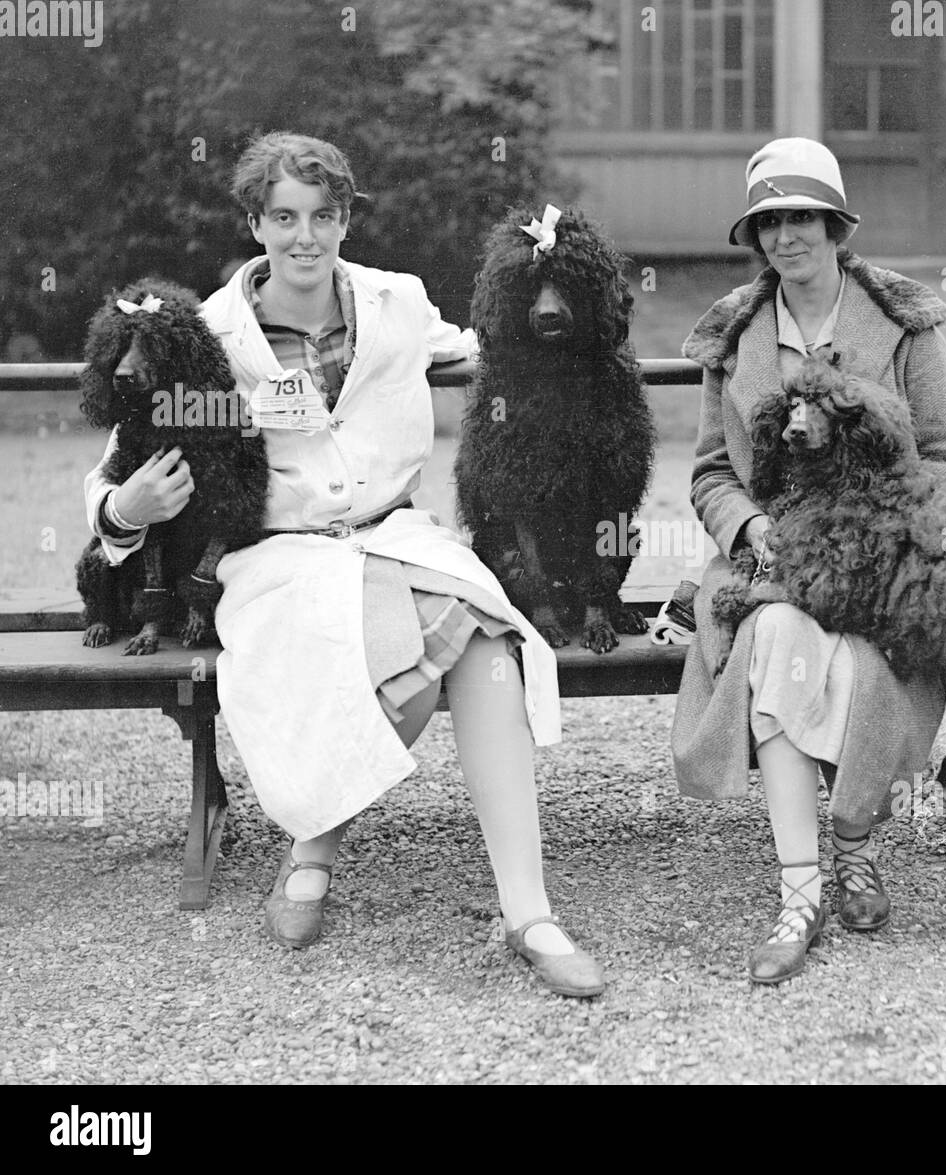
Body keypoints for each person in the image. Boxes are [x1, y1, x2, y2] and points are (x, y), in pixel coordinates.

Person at [83, 131, 604, 998]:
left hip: (396, 536)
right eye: (284, 217)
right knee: (430, 652)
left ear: (346, 220)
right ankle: (314, 846)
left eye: (324, 216)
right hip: (283, 562)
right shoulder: (208, 334)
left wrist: (567, 329)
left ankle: (528, 911)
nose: (306, 237)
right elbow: (109, 473)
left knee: (486, 646)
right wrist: (126, 509)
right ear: (256, 223)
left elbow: (485, 344)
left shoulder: (397, 303)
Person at [672, 138, 946, 984]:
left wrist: (890, 541)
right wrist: (748, 525)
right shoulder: (735, 335)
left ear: (836, 227)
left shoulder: (902, 324)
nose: (786, 237)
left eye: (802, 217)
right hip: (770, 559)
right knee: (775, 633)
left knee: (857, 660)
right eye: (769, 222)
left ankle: (852, 840)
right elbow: (710, 472)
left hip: (884, 560)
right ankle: (801, 888)